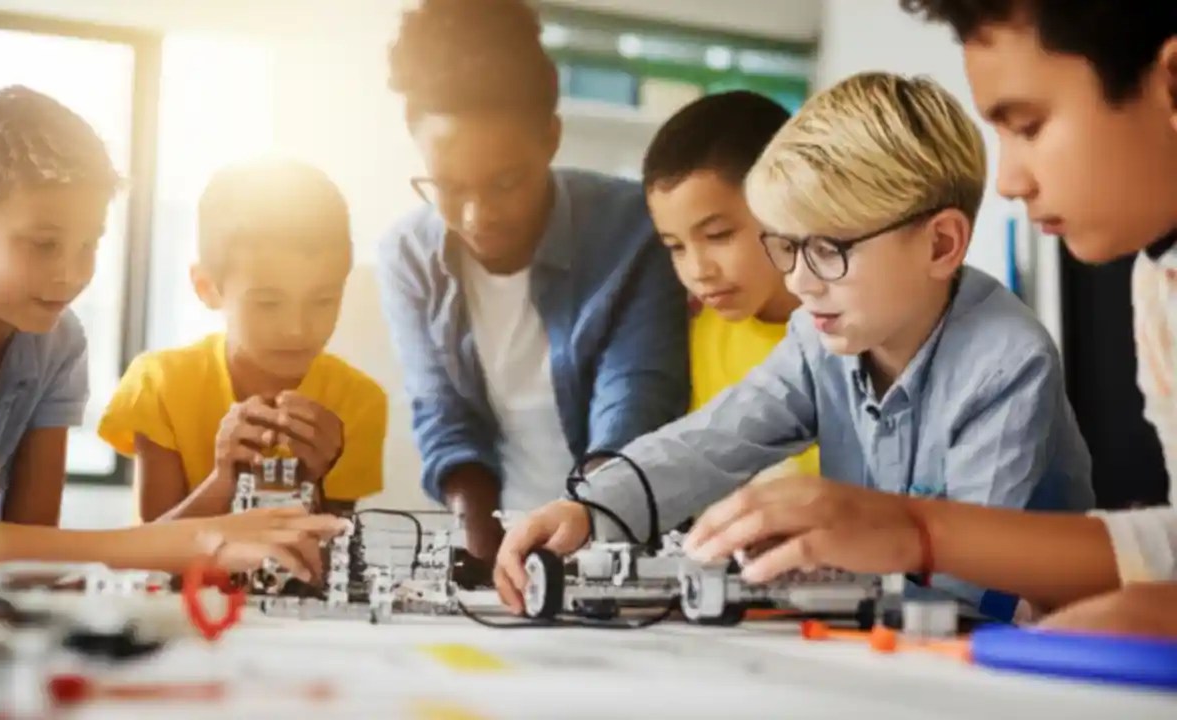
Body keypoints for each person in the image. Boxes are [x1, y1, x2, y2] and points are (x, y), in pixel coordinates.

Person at [494, 72, 1095, 616]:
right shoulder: (819, 332)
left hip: (1034, 645)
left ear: (940, 245)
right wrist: (590, 509)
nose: (800, 282)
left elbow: (965, 588)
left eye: (830, 249)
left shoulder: (1008, 363)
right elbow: (713, 441)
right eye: (787, 246)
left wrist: (804, 573)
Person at [681, 0, 1177, 638]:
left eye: (1027, 125)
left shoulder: (1005, 352)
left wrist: (916, 532)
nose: (1008, 181)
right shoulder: (1157, 278)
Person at [0, 86, 344, 577]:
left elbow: (31, 551)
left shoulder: (57, 340)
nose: (72, 274)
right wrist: (196, 539)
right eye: (45, 244)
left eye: (90, 243)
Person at [377, 0, 689, 561]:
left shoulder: (633, 231)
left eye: (504, 183)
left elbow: (635, 403)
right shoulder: (407, 255)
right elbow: (442, 417)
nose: (476, 216)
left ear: (550, 137)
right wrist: (485, 550)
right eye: (448, 186)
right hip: (499, 543)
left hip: (623, 538)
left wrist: (586, 534)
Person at [99, 159, 386, 522]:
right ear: (207, 287)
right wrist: (222, 482)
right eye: (268, 303)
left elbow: (332, 564)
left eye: (324, 300)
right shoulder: (160, 384)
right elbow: (152, 556)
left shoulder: (357, 401)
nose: (297, 329)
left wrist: (312, 482)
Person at [642, 90, 818, 478]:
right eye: (675, 246)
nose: (698, 269)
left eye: (718, 235)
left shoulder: (851, 337)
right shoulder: (691, 329)